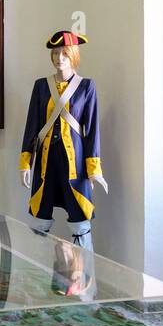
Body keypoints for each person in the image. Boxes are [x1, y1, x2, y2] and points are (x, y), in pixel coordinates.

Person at [20, 31, 107, 264]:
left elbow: (92, 131)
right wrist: (25, 163)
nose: (59, 58)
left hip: (75, 164)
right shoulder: (41, 86)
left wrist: (94, 170)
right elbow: (32, 126)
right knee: (39, 220)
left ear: (74, 56)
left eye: (65, 54)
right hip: (46, 164)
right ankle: (36, 279)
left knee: (80, 223)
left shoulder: (87, 86)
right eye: (56, 53)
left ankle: (85, 287)